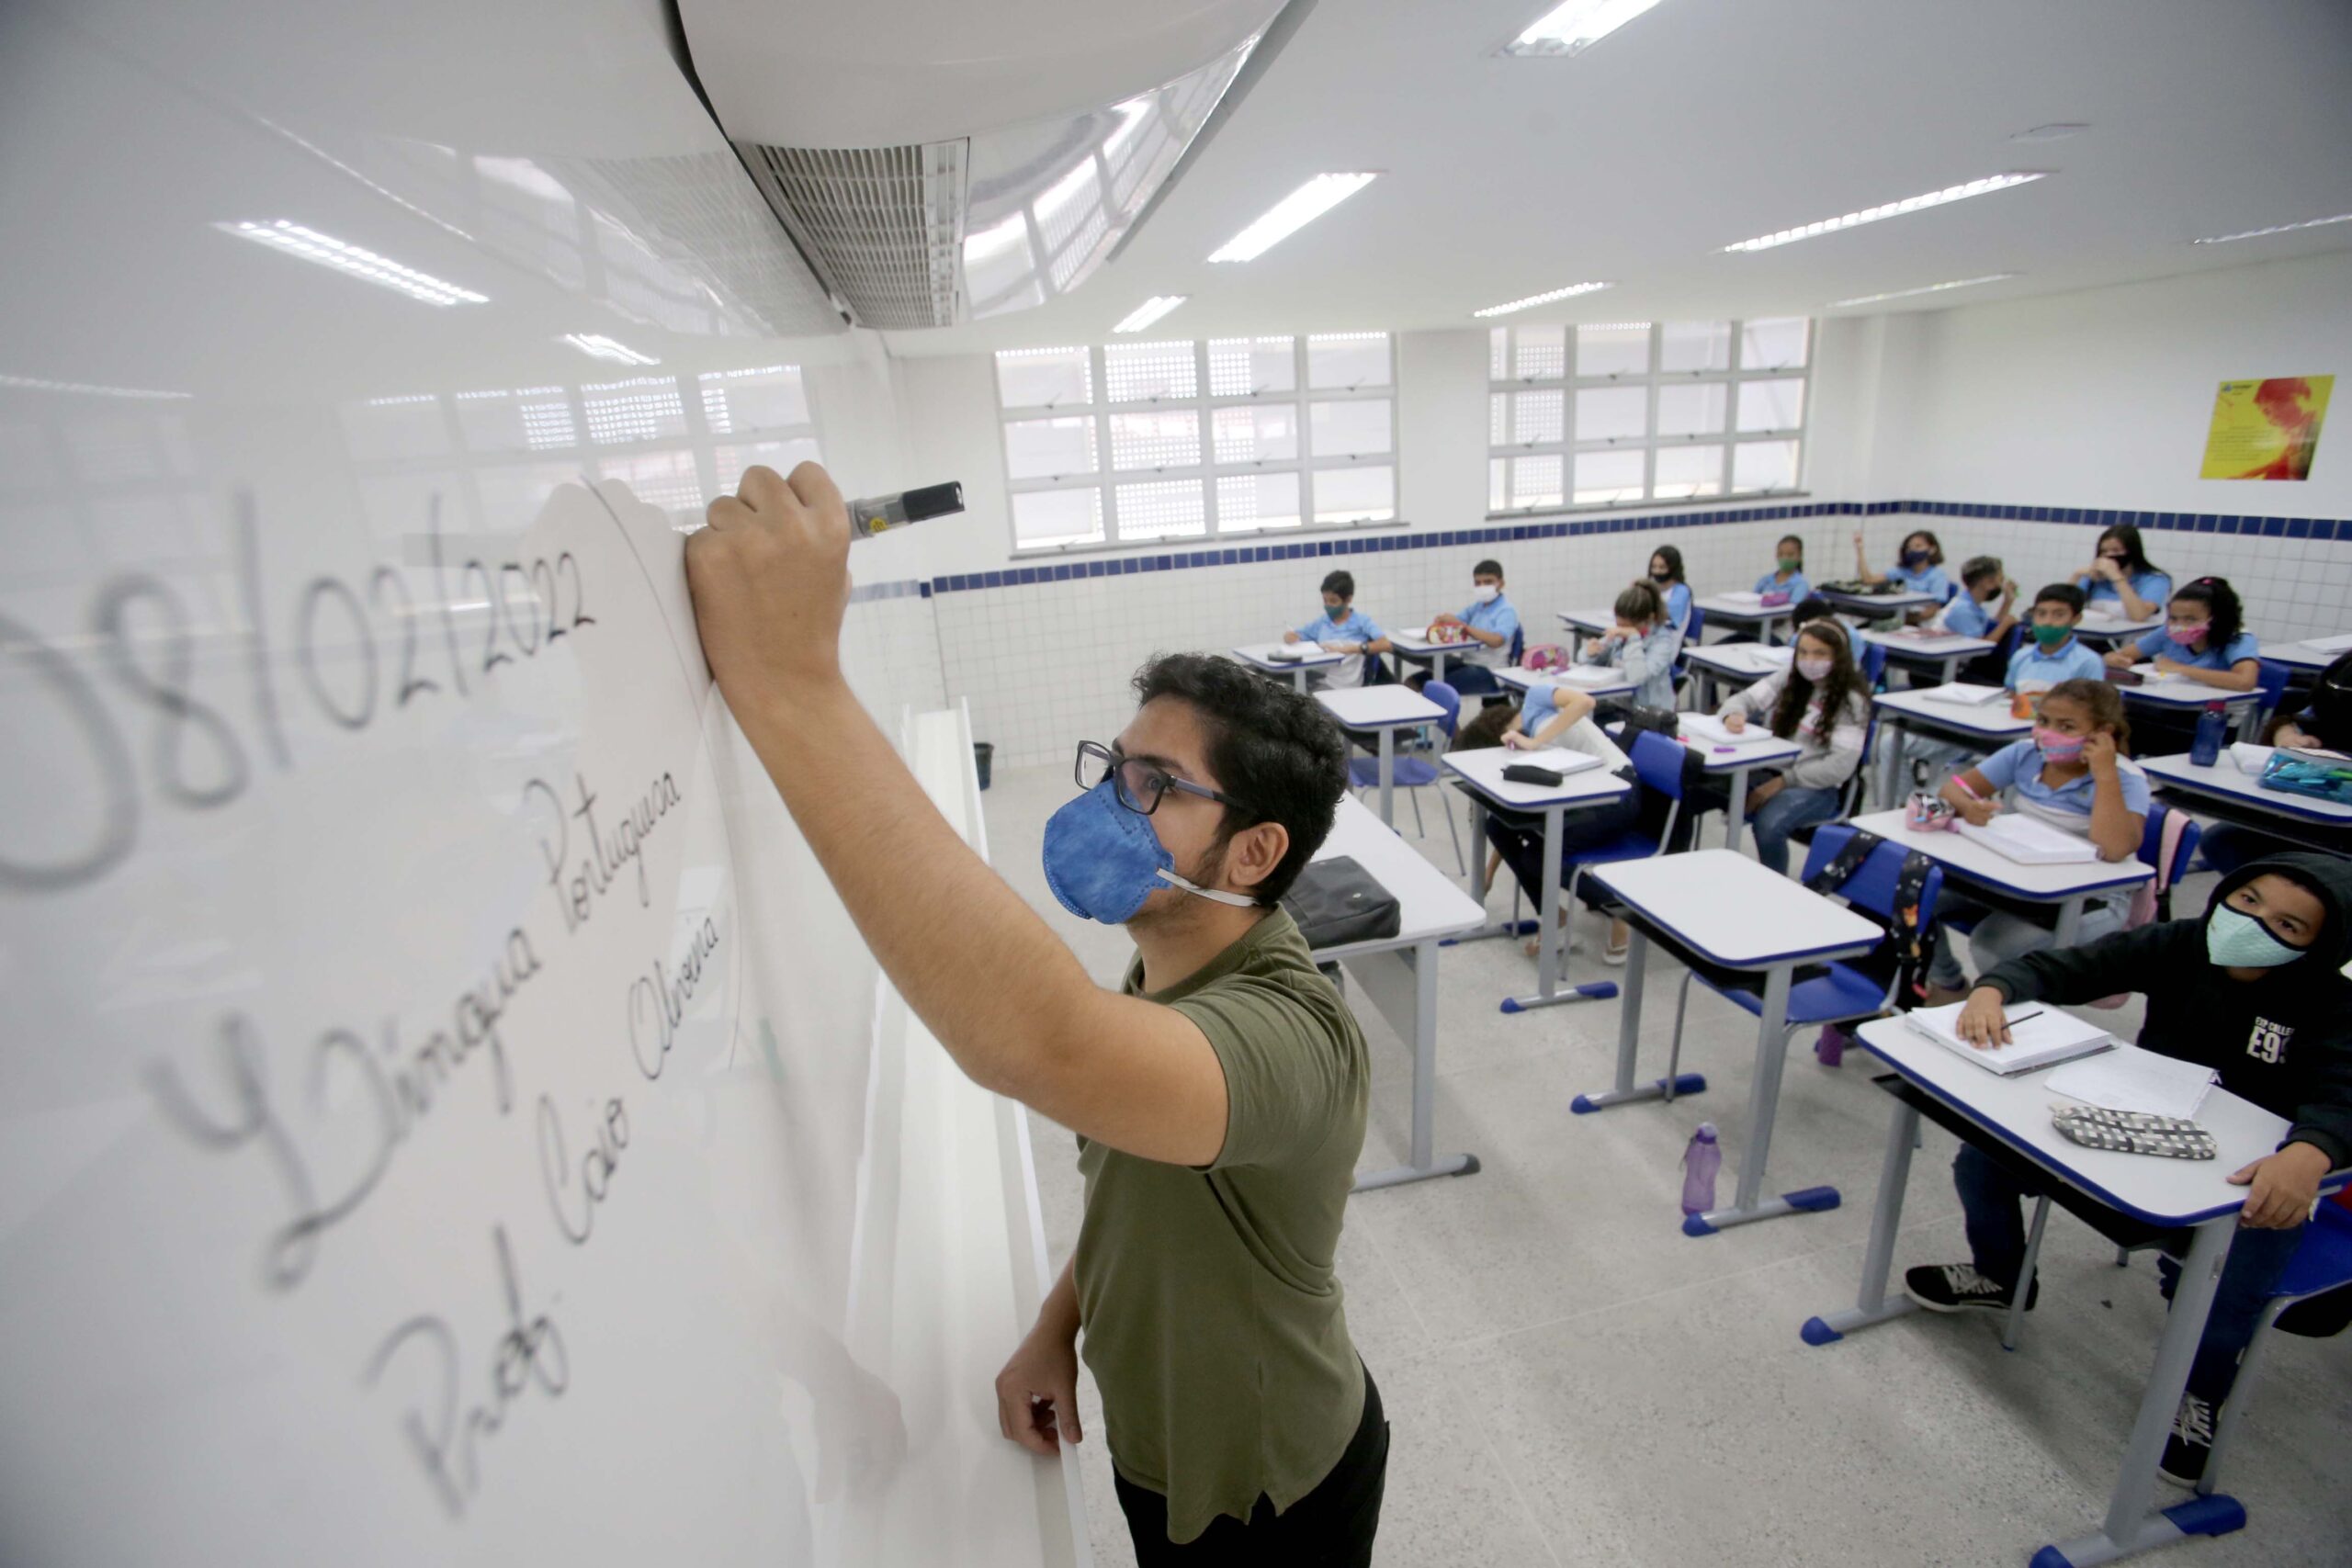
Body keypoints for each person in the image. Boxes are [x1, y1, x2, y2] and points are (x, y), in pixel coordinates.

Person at [684, 463, 1389, 1562]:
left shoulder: (1291, 1039)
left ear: (1253, 852)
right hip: (1153, 1441)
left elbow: (1035, 1042)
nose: (1111, 799)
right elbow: (1135, 1189)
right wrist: (1055, 1328)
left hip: (1264, 1484)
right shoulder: (1164, 972)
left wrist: (788, 680)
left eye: (1153, 785)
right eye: (1116, 766)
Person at [1906, 852, 2352, 1488]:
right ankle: (1999, 1275)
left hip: (2249, 1175)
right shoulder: (2183, 942)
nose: (2252, 921)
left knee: (2229, 1294)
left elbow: (2343, 1093)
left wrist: (2313, 1149)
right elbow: (2075, 966)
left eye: (2287, 925)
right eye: (2248, 900)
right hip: (2140, 1126)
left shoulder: (2331, 1001)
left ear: (2318, 945)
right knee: (1984, 1162)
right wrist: (1993, 988)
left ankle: (2201, 1392)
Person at [1917, 678, 2149, 998]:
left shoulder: (2126, 777)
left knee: (1993, 948)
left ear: (2102, 733)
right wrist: (1969, 806)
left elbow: (2114, 849)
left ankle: (2003, 1017)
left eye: (2066, 726)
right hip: (2021, 880)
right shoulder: (2026, 753)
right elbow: (1952, 789)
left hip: (2089, 899)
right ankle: (1948, 985)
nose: (2048, 733)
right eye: (2043, 721)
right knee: (1912, 897)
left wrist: (2104, 772)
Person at [1485, 679, 1640, 962]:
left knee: (1540, 855)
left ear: (1503, 723)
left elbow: (1585, 702)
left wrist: (1534, 742)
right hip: (1583, 796)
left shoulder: (1536, 697)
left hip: (1618, 792)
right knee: (1497, 825)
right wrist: (1488, 872)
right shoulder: (1523, 742)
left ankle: (1620, 908)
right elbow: (1511, 825)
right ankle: (1554, 917)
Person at [1715, 621, 1869, 874]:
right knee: (1704, 786)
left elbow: (1839, 767)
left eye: (1820, 653)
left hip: (1818, 787)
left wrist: (1784, 781)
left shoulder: (1851, 702)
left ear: (1838, 657)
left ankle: (1776, 889)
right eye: (1804, 652)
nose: (1809, 660)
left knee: (1769, 825)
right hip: (1776, 770)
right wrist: (1733, 715)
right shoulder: (1790, 676)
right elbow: (1743, 699)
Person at [2201, 649, 2352, 873]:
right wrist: (2286, 733)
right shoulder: (2340, 680)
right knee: (2220, 840)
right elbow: (2296, 718)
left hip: (2342, 827)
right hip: (2310, 807)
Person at [2100, 576, 2260, 694]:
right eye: (2173, 618)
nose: (2179, 626)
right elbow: (2121, 655)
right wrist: (2113, 659)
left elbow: (2245, 682)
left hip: (2214, 713)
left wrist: (2180, 669)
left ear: (2216, 619)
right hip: (2168, 702)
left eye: (2191, 619)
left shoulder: (2238, 638)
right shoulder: (2167, 632)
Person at [1421, 558, 1519, 696]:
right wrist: (1444, 622)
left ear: (1501, 583)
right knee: (1415, 681)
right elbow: (1457, 622)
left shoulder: (1506, 611)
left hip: (1490, 671)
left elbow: (1497, 640)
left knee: (1433, 690)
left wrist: (1464, 627)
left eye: (1488, 582)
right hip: (1467, 662)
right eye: (1478, 583)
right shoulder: (1478, 606)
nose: (1482, 587)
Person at [1576, 581, 1679, 711]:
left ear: (1650, 618)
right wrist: (1590, 653)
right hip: (1617, 705)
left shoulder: (1662, 642)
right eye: (1619, 625)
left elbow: (1637, 677)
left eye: (1627, 627)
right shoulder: (1620, 633)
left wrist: (1633, 638)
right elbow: (1583, 660)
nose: (1621, 630)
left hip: (1649, 711)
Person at [1283, 570, 1390, 689]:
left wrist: (1350, 649)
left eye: (1333, 601)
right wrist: (1290, 636)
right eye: (1325, 600)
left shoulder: (1361, 622)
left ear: (1348, 600)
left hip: (1344, 684)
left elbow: (1386, 644)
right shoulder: (1323, 622)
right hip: (1321, 678)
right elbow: (1298, 635)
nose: (1328, 605)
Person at [2006, 582, 2108, 705]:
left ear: (2076, 619)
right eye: (2041, 614)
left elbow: (2092, 709)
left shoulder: (2088, 662)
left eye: (2059, 615)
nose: (2047, 622)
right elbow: (2010, 697)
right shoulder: (2021, 656)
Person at [2075, 522, 2172, 622]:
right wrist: (2077, 575)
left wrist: (2116, 577)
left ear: (2132, 552)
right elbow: (2065, 610)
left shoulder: (2155, 580)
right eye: (2104, 551)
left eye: (2116, 551)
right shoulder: (2094, 578)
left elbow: (2139, 615)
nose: (2109, 555)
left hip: (2136, 636)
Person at [1851, 526, 1953, 606]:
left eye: (1918, 546)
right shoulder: (1901, 571)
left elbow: (1931, 611)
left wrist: (1904, 617)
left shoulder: (1938, 576)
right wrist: (1860, 550)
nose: (1912, 550)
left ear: (1932, 549)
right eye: (1909, 547)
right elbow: (1868, 580)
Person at [1647, 545, 1693, 640]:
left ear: (1673, 569)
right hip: (1650, 637)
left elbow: (1666, 616)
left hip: (1669, 640)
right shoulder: (1651, 587)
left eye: (1662, 568)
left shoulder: (1682, 591)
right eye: (1654, 567)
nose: (1657, 571)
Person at [1756, 533, 1811, 604]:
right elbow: (1753, 600)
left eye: (1790, 554)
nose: (1785, 558)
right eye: (1780, 554)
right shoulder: (1765, 580)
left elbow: (1793, 608)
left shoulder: (1801, 584)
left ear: (1799, 556)